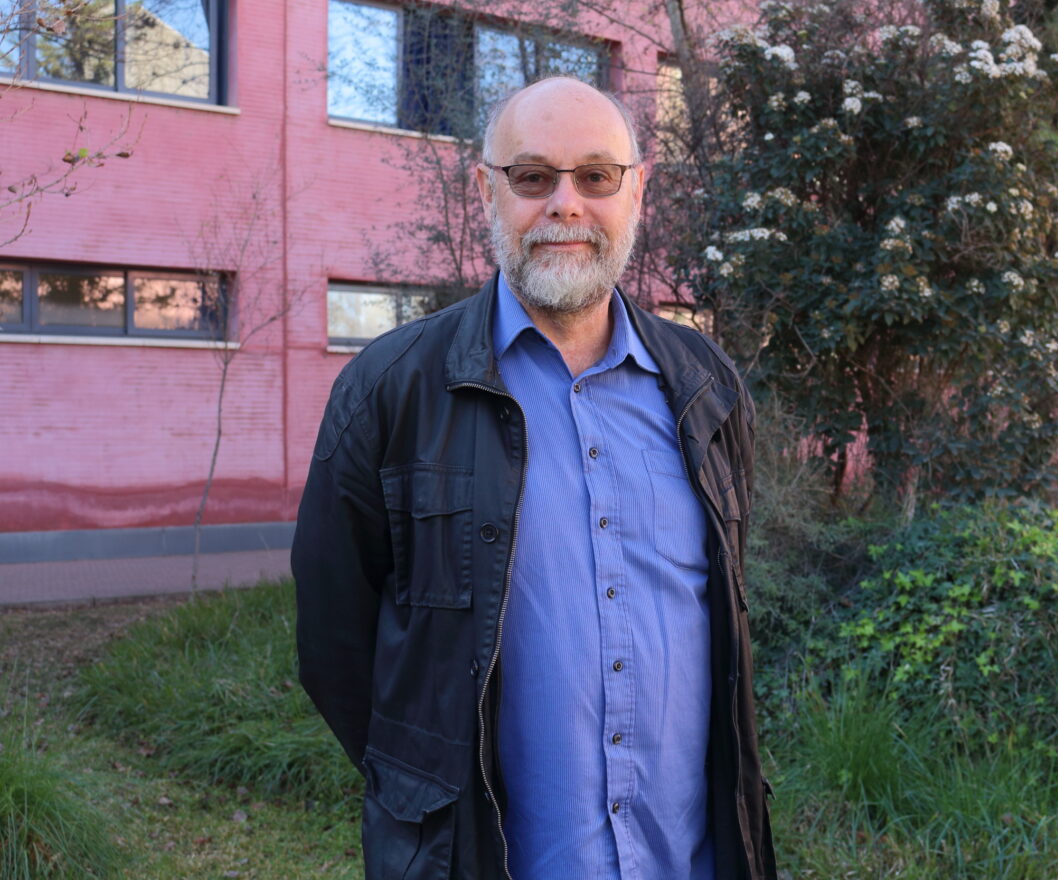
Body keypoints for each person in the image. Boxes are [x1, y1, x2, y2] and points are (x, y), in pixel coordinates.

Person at [292, 75, 776, 880]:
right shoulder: (391, 391)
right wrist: (424, 793)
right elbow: (334, 647)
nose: (565, 204)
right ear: (487, 189)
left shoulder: (707, 385)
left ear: (636, 191)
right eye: (532, 177)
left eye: (595, 176)